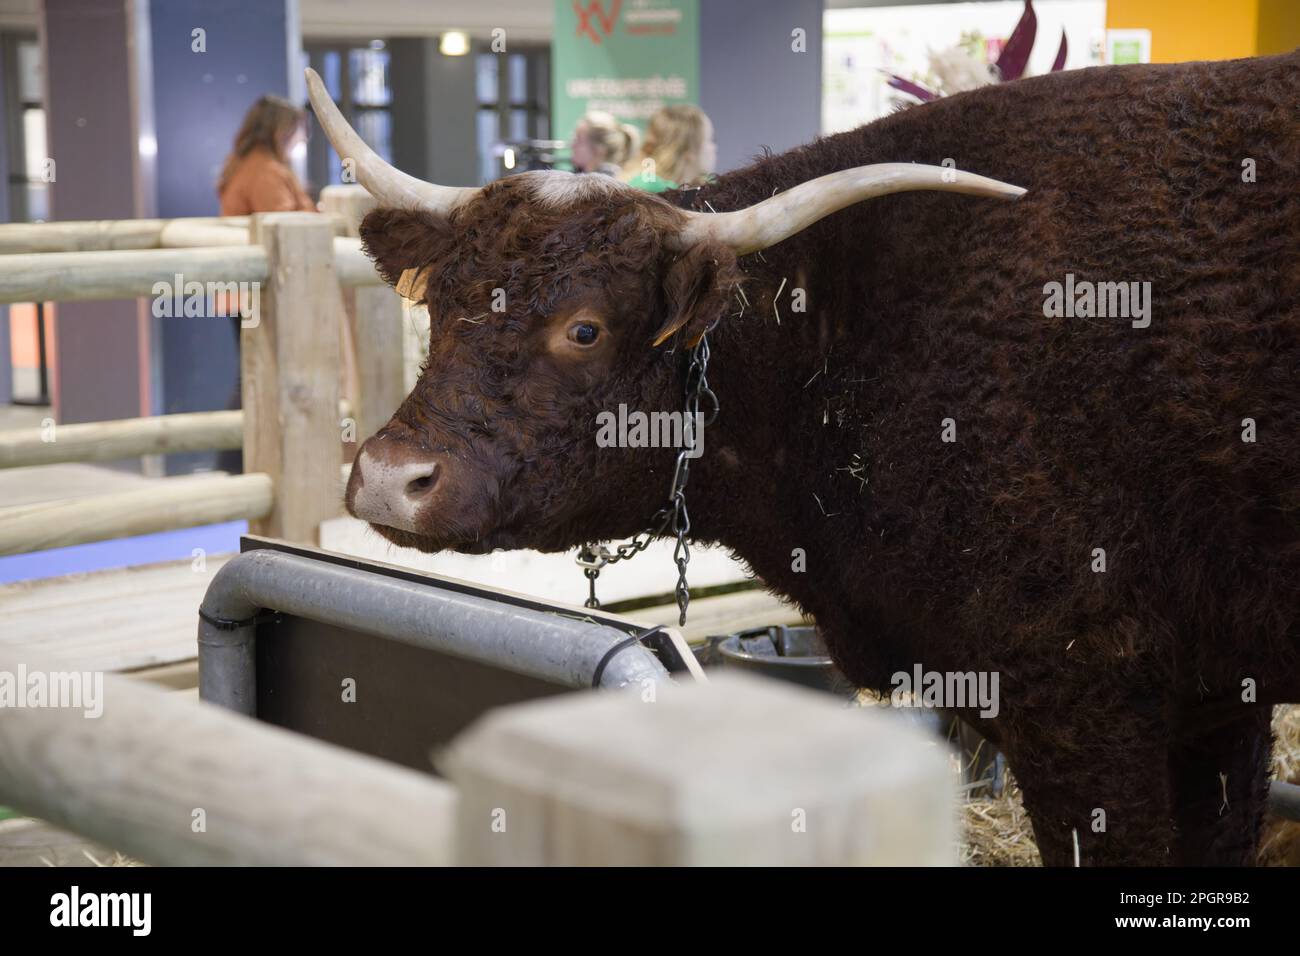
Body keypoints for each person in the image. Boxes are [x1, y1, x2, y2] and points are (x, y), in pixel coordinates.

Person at [213, 96, 318, 474]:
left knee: (252, 374)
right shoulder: (267, 173)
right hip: (263, 293)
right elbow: (286, 231)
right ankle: (236, 464)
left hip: (242, 293)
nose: (297, 142)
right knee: (257, 376)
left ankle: (237, 463)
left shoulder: (241, 165)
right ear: (280, 131)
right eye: (294, 133)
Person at [217, 95, 316, 215]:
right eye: (297, 130)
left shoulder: (243, 162)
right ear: (282, 133)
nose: (302, 138)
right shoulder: (266, 172)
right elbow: (284, 226)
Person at [624, 104, 717, 193]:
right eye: (710, 139)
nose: (714, 148)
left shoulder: (695, 189)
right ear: (688, 149)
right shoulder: (650, 191)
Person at [568, 111, 638, 177]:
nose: (572, 145)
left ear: (599, 149)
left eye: (579, 140)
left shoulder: (609, 185)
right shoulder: (581, 177)